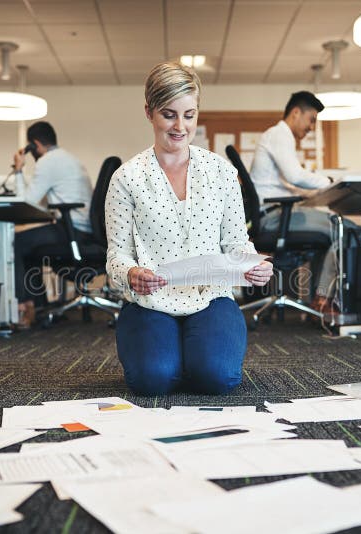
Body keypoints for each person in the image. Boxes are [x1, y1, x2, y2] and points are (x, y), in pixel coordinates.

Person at [105, 61, 273, 396]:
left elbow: (237, 242)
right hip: (150, 300)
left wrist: (251, 264)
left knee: (219, 377)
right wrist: (132, 272)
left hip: (210, 297)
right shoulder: (127, 178)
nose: (180, 126)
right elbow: (116, 255)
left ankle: (191, 354)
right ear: (149, 112)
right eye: (169, 114)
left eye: (190, 114)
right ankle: (174, 353)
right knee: (152, 380)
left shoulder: (221, 172)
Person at [249, 91, 346, 311]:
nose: (311, 127)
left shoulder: (277, 137)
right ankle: (323, 300)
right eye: (311, 119)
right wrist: (328, 181)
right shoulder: (279, 134)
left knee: (328, 235)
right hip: (274, 218)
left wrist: (310, 194)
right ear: (295, 112)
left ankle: (318, 301)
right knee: (341, 227)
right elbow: (295, 176)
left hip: (271, 215)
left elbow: (286, 184)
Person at [11, 121, 93, 328]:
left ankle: (24, 307)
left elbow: (27, 201)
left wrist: (19, 170)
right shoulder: (70, 159)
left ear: (35, 145)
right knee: (30, 248)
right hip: (84, 231)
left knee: (17, 242)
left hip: (71, 230)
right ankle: (39, 306)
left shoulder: (47, 161)